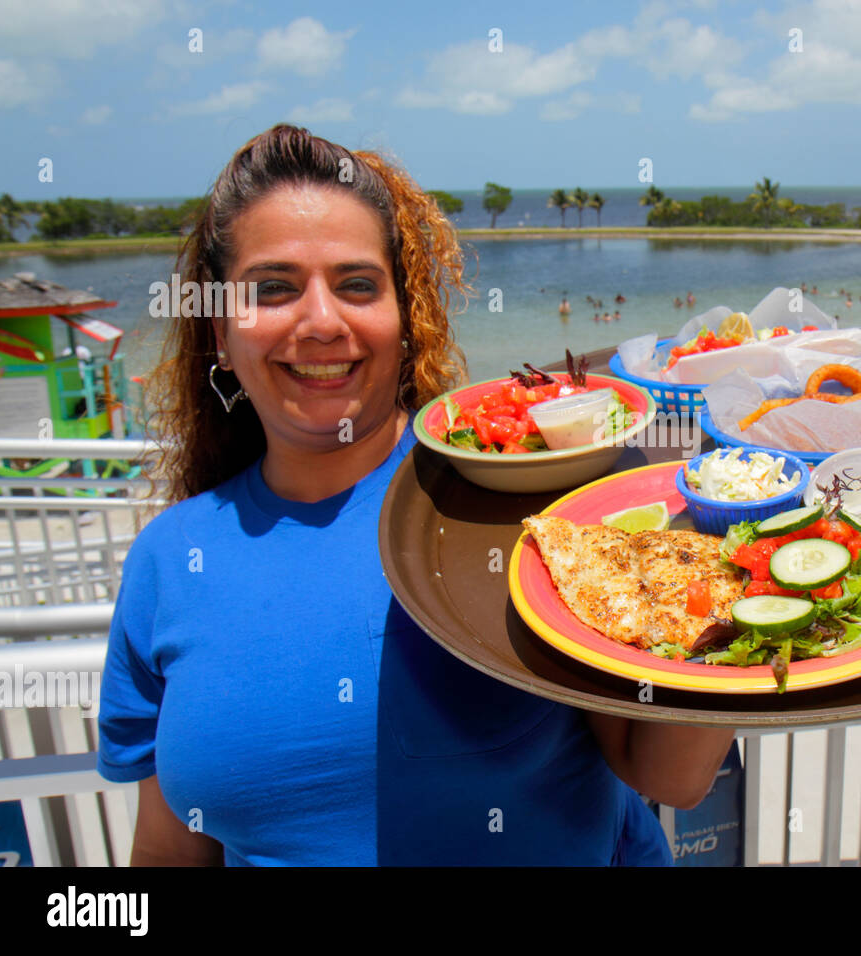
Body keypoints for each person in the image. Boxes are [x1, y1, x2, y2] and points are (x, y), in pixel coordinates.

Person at [96, 125, 733, 866]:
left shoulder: (514, 501)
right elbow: (170, 852)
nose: (322, 322)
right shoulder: (171, 561)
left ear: (405, 317)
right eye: (273, 289)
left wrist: (716, 529)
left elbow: (672, 775)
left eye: (356, 284)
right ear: (220, 331)